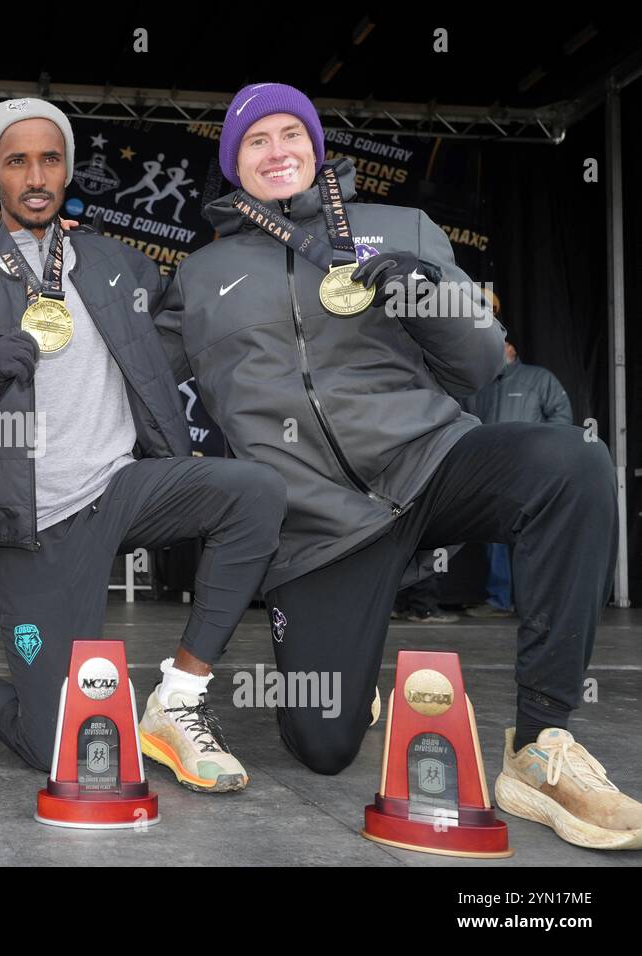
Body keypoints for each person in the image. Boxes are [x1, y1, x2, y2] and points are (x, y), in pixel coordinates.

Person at [157, 82, 638, 848]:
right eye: (256, 140)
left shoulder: (397, 225)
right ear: (232, 162)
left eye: (292, 134)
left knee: (572, 462)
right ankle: (353, 684)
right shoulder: (202, 277)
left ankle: (541, 745)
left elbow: (480, 361)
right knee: (323, 747)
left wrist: (427, 289)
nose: (278, 150)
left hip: (432, 461)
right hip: (316, 524)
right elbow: (138, 372)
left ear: (315, 147)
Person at [0, 98, 286, 793]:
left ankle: (177, 701)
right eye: (18, 161)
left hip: (124, 490)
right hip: (30, 524)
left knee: (254, 492)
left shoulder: (113, 264)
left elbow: (184, 321)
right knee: (53, 750)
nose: (37, 175)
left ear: (67, 169)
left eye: (50, 158)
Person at [464, 331, 573, 618]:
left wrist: (542, 452)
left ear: (511, 347)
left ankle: (539, 603)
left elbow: (561, 418)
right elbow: (466, 424)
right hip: (492, 473)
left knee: (538, 536)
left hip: (532, 471)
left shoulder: (539, 378)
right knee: (495, 538)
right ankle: (498, 600)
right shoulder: (480, 385)